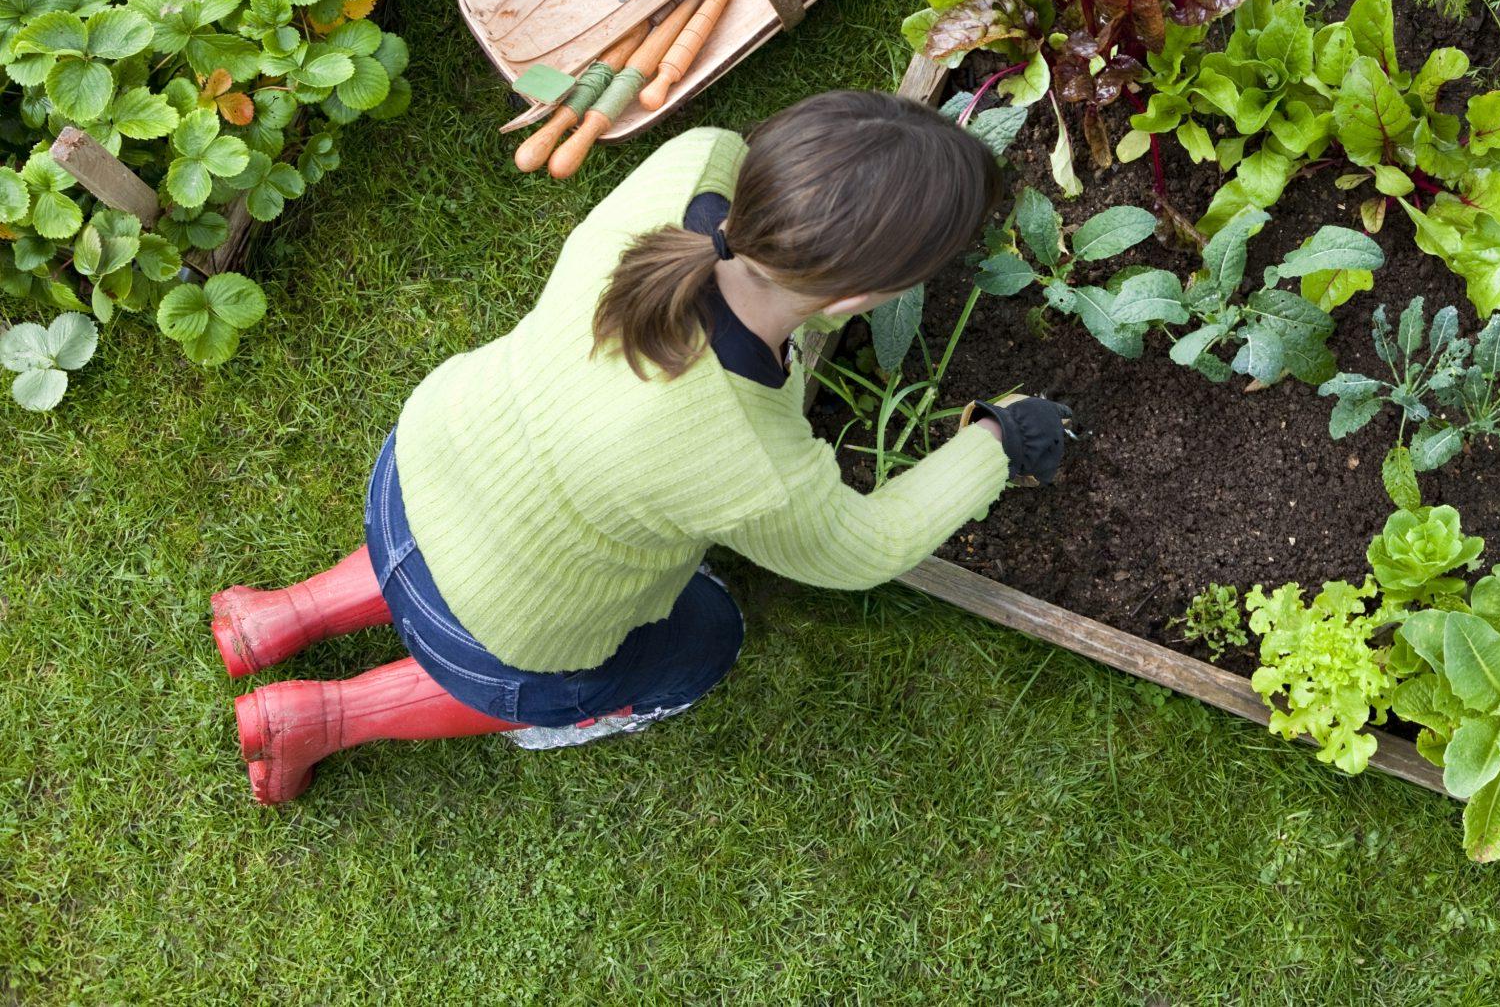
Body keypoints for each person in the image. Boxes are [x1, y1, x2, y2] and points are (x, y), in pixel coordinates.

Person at [209, 91, 1070, 804]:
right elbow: (865, 547)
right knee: (705, 640)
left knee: (480, 534)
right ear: (860, 298)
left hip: (420, 467)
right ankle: (323, 717)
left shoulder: (693, 164)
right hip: (501, 632)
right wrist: (999, 439)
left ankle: (278, 617)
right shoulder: (751, 460)